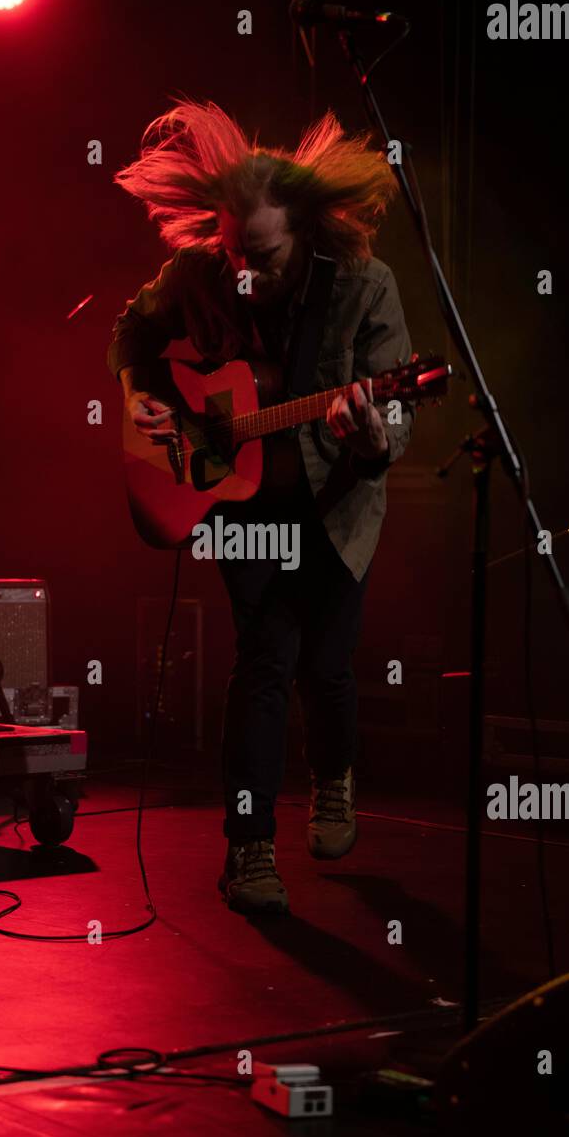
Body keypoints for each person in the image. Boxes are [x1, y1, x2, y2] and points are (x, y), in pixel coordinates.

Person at [108, 100, 414, 914]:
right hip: (243, 507)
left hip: (339, 507)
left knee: (327, 668)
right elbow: (132, 332)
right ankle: (248, 851)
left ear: (306, 232)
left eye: (266, 255)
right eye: (237, 251)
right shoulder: (204, 271)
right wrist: (144, 398)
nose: (248, 270)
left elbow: (400, 410)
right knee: (263, 668)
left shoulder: (364, 285)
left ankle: (335, 775)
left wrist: (372, 437)